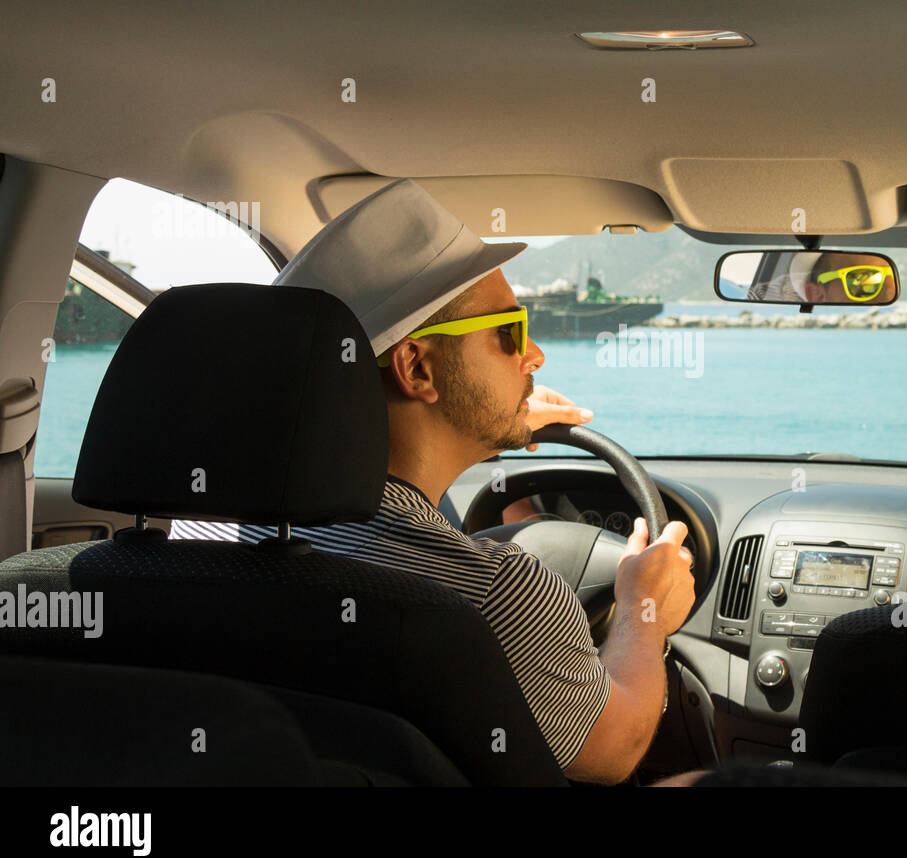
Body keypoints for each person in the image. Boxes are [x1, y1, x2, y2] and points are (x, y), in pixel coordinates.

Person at [170, 179, 695, 785]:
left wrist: (488, 419)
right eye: (511, 332)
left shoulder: (193, 535)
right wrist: (643, 611)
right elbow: (616, 750)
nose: (536, 356)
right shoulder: (495, 593)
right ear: (417, 366)